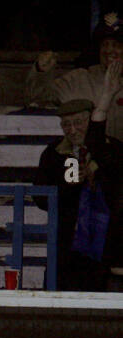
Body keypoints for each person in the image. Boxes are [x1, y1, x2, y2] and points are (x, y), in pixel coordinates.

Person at [33, 84, 123, 291]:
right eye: (66, 125)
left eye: (79, 123)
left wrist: (96, 174)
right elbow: (40, 197)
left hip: (106, 244)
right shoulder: (53, 153)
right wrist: (67, 186)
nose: (72, 130)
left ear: (92, 122)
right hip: (67, 243)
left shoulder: (114, 149)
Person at [28, 12, 123, 139]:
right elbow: (39, 97)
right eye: (105, 45)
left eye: (116, 45)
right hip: (87, 157)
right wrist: (41, 72)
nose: (109, 50)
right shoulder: (78, 79)